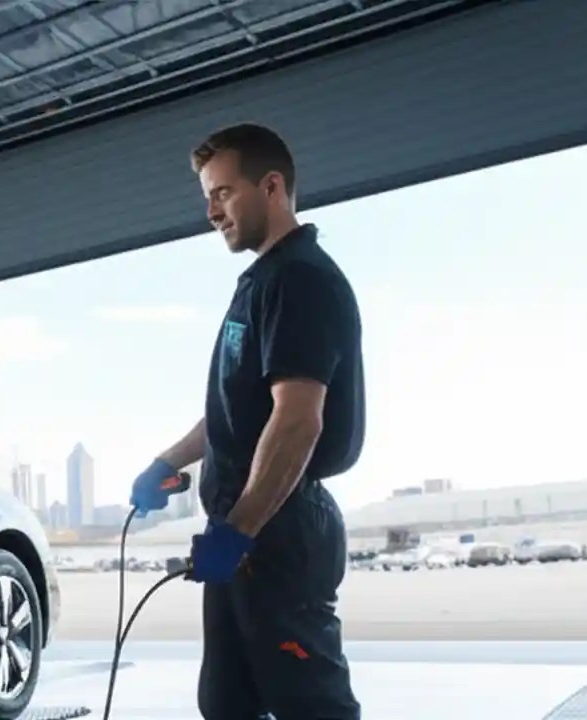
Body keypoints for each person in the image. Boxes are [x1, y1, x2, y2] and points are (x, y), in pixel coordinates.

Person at [129, 123, 365, 719]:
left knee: (311, 706)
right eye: (207, 196)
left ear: (272, 187)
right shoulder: (260, 282)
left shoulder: (301, 279)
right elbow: (233, 413)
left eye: (223, 192)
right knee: (227, 703)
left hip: (279, 531)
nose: (211, 211)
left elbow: (297, 422)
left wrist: (240, 532)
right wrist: (168, 461)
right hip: (241, 529)